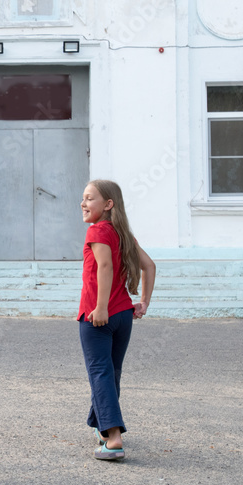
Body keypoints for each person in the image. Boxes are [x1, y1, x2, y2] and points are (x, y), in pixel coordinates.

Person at [78, 179, 156, 461]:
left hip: (99, 316)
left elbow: (106, 265)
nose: (83, 203)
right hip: (123, 314)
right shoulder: (122, 233)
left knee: (100, 373)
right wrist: (144, 302)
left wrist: (100, 308)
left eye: (89, 198)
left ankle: (114, 439)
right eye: (83, 198)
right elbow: (149, 265)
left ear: (108, 205)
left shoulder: (97, 231)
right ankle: (102, 428)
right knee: (110, 373)